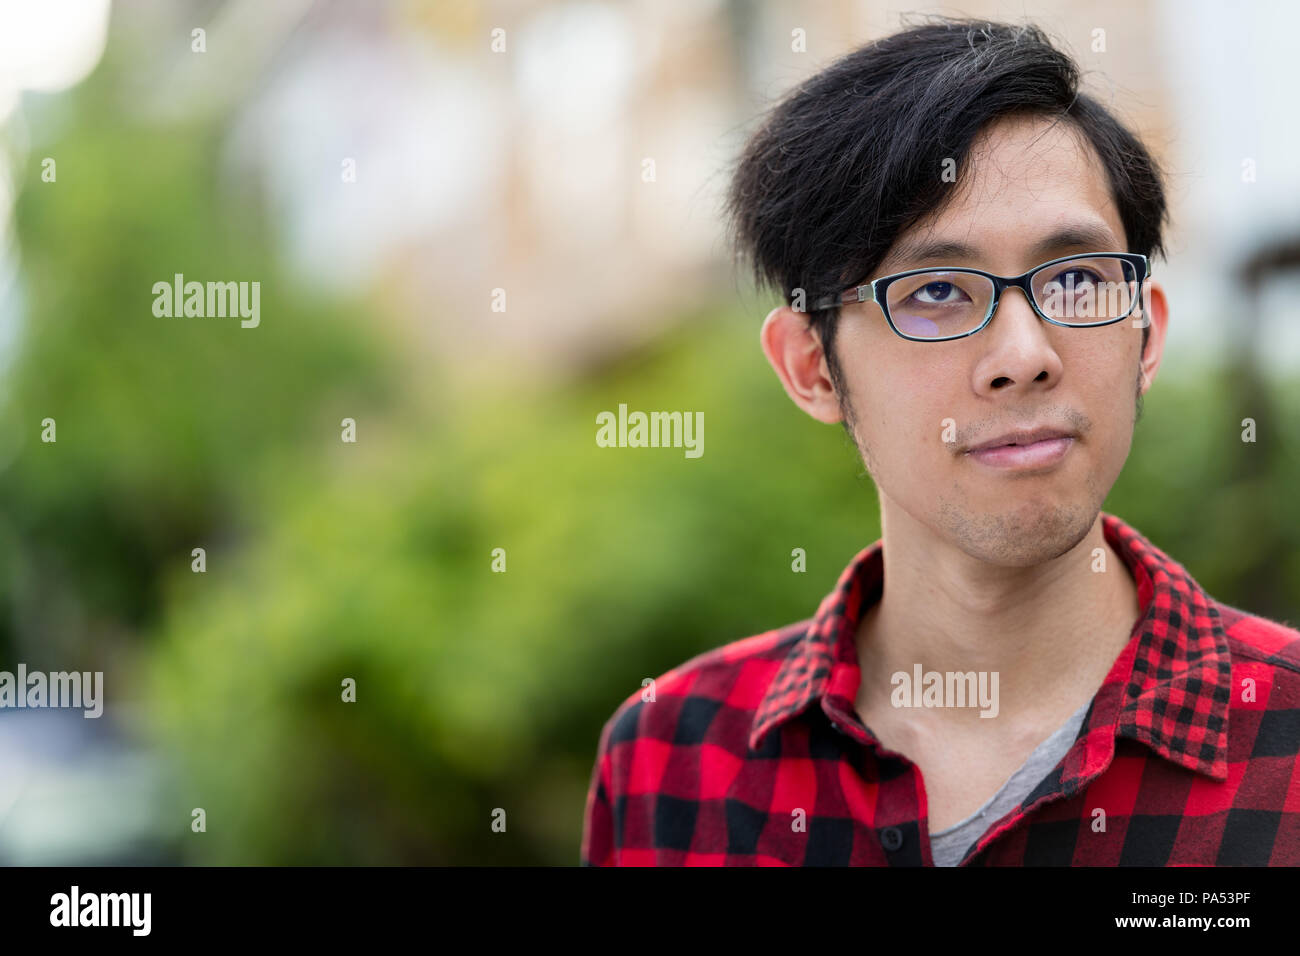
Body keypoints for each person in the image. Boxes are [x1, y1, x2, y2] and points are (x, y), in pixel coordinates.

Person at [580, 17, 1300, 866]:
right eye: (936, 292)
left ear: (1146, 337)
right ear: (812, 367)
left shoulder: (1283, 741)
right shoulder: (672, 759)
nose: (1025, 356)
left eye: (1076, 279)